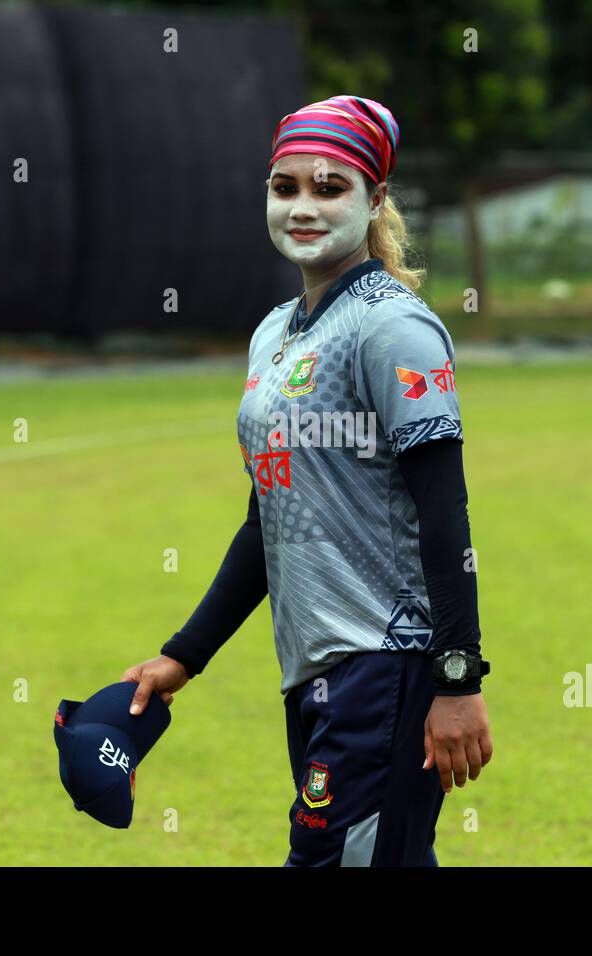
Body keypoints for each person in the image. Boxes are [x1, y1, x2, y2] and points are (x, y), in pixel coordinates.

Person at [122, 95, 492, 866]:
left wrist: (457, 679)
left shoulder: (394, 327)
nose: (302, 207)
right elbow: (270, 519)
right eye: (285, 187)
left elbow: (444, 513)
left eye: (329, 189)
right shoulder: (273, 335)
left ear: (375, 199)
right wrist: (183, 655)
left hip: (390, 667)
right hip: (315, 673)